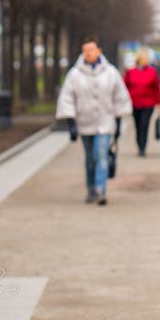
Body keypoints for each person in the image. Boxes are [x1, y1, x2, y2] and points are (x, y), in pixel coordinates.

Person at [56, 36, 132, 206]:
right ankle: (90, 188)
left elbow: (120, 96)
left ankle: (100, 190)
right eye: (85, 50)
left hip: (105, 123)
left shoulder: (111, 72)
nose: (88, 53)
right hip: (84, 123)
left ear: (98, 51)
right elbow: (67, 97)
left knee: (101, 155)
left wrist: (119, 121)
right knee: (90, 158)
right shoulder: (74, 74)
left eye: (91, 50)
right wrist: (71, 123)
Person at [124, 49, 160, 157]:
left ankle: (143, 147)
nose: (145, 60)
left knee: (144, 124)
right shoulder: (130, 72)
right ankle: (139, 144)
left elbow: (156, 88)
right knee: (137, 125)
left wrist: (158, 102)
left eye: (147, 59)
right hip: (134, 103)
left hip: (148, 103)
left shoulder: (152, 71)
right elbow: (124, 87)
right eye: (144, 58)